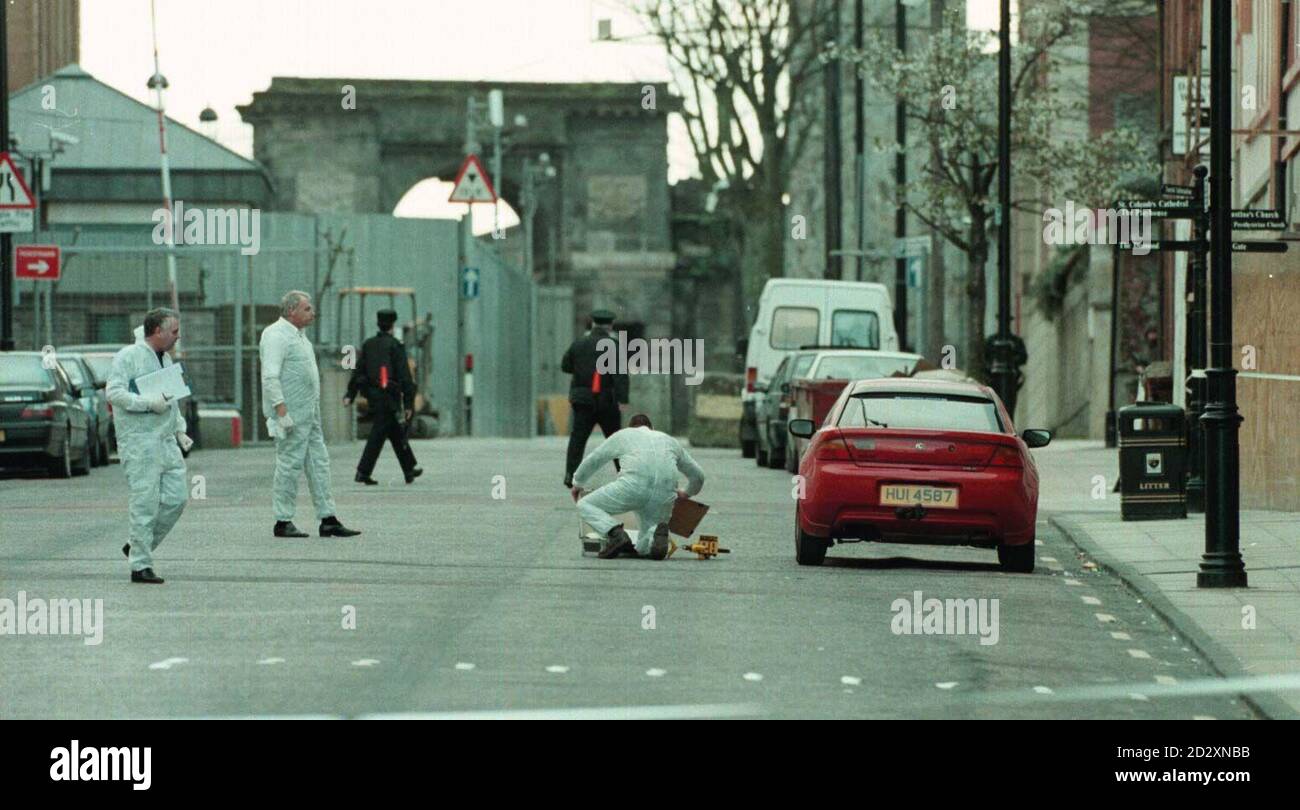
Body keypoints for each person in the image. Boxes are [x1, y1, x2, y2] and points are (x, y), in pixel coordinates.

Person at [260, 290, 361, 538]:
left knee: (319, 462)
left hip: (308, 413)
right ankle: (283, 520)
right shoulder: (276, 335)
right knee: (289, 465)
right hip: (291, 414)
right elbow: (270, 375)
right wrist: (281, 410)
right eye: (307, 309)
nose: (312, 313)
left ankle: (328, 517)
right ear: (291, 310)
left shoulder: (301, 337)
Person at [106, 308, 190, 584]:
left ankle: (137, 545)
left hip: (165, 441)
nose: (178, 336)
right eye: (174, 331)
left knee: (176, 499)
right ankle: (140, 564)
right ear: (157, 331)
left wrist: (180, 429)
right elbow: (114, 392)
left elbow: (172, 397)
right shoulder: (129, 357)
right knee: (144, 503)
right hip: (140, 442)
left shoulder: (164, 358)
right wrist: (146, 404)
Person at [571, 413, 705, 560]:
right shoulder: (669, 441)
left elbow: (595, 459)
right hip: (665, 492)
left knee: (585, 504)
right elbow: (698, 476)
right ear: (652, 428)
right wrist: (686, 493)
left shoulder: (623, 435)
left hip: (632, 487)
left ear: (630, 427)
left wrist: (577, 483)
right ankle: (655, 533)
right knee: (643, 549)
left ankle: (615, 534)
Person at [345, 309, 422, 485]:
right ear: (393, 325)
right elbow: (404, 375)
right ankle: (362, 472)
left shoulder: (368, 344)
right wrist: (409, 403)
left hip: (373, 396)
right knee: (378, 435)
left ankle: (409, 469)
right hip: (390, 397)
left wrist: (350, 394)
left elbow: (359, 371)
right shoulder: (395, 345)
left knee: (395, 431)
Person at [561, 308, 628, 487]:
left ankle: (571, 475)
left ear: (592, 324)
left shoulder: (579, 344)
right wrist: (623, 399)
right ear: (610, 325)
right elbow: (620, 374)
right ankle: (625, 474)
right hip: (607, 400)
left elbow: (565, 366)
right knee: (616, 440)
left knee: (578, 438)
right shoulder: (614, 345)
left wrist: (582, 369)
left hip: (583, 399)